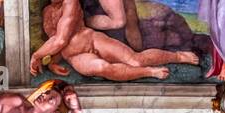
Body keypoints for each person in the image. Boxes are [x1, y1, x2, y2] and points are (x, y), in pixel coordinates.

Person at [31, 0, 199, 81]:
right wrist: (52, 61)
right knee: (103, 67)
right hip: (75, 56)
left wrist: (37, 55)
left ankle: (177, 57)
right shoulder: (46, 12)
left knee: (135, 59)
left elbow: (60, 40)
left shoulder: (70, 3)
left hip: (92, 39)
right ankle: (149, 72)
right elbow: (56, 42)